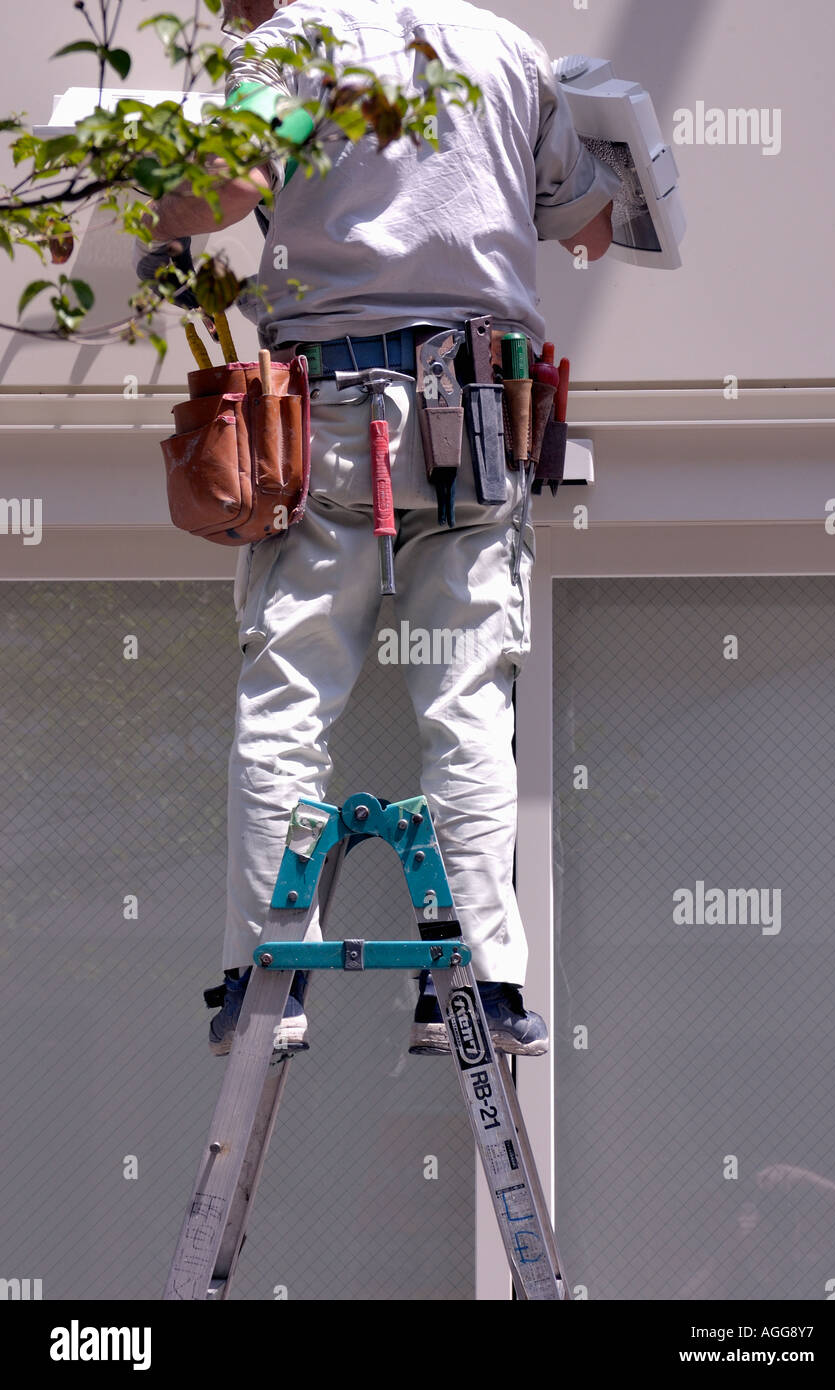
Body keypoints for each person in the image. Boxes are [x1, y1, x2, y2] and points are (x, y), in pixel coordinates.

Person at [148, 0, 619, 1058]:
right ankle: (481, 984)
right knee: (467, 700)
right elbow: (589, 226)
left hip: (332, 420)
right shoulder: (509, 49)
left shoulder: (292, 47)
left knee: (289, 696)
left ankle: (270, 976)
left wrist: (155, 199)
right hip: (482, 417)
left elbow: (226, 185)